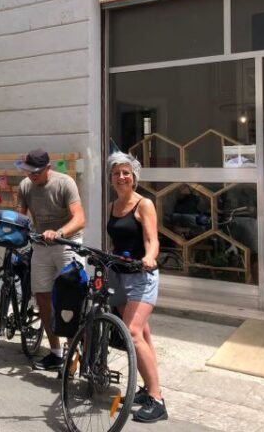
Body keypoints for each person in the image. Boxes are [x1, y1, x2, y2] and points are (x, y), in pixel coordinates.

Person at [107, 151, 167, 423]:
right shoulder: (112, 206)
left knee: (131, 332)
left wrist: (150, 257)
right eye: (117, 173)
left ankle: (157, 399)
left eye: (126, 173)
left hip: (142, 277)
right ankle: (148, 388)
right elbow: (118, 240)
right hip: (118, 275)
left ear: (134, 177)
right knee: (142, 333)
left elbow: (153, 240)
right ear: (111, 178)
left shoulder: (144, 204)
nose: (121, 177)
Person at [14, 148, 86, 371]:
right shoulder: (25, 186)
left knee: (70, 297)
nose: (32, 176)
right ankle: (55, 353)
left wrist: (60, 233)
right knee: (43, 297)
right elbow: (20, 215)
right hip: (41, 246)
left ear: (48, 168)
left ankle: (75, 349)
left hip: (67, 244)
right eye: (29, 171)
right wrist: (13, 227)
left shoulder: (65, 183)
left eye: (36, 172)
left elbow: (80, 218)